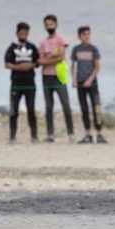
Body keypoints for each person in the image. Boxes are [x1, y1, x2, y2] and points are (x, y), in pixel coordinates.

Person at [37, 14, 74, 142]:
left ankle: (71, 134)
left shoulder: (60, 40)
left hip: (59, 76)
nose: (49, 26)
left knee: (66, 105)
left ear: (56, 24)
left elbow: (61, 57)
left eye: (51, 24)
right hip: (46, 77)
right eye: (47, 25)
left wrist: (48, 58)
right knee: (48, 107)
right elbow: (39, 61)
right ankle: (50, 135)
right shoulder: (43, 42)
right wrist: (52, 57)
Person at [3, 22, 40, 143]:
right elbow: (7, 64)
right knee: (14, 111)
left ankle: (34, 137)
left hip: (30, 84)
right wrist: (19, 67)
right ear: (17, 33)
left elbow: (38, 62)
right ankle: (12, 137)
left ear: (28, 33)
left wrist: (31, 65)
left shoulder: (32, 47)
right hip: (16, 84)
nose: (23, 35)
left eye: (25, 33)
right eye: (21, 33)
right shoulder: (12, 47)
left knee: (31, 111)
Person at [71, 26, 106, 144]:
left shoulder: (93, 49)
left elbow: (97, 67)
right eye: (84, 34)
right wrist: (74, 80)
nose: (87, 36)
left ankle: (99, 134)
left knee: (96, 108)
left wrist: (90, 80)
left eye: (88, 34)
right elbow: (73, 65)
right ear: (79, 36)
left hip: (92, 83)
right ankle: (88, 135)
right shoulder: (76, 49)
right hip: (80, 84)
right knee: (84, 109)